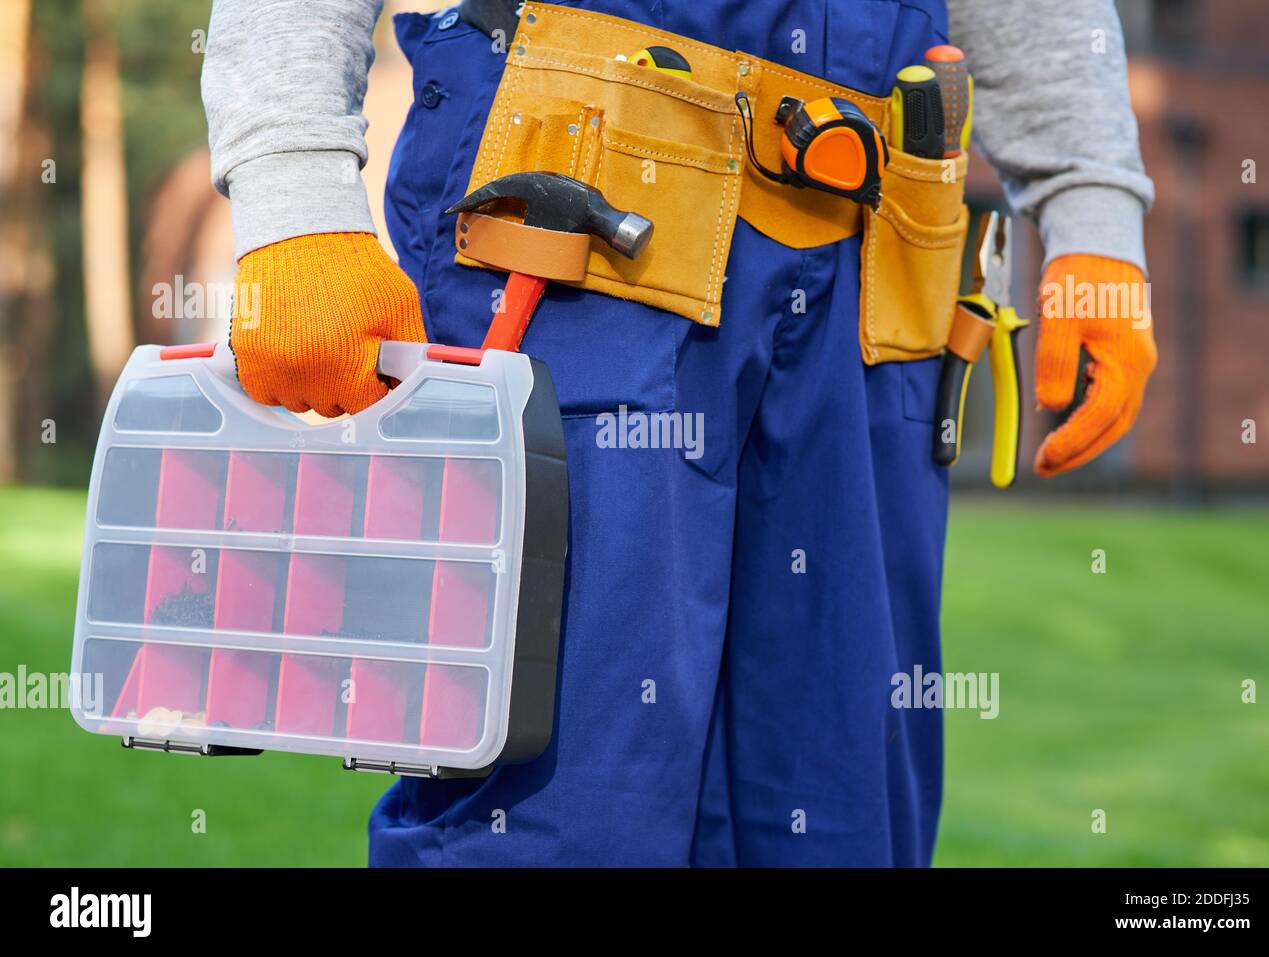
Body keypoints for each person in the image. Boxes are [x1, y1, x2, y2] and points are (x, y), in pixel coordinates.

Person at [202, 0, 1156, 866]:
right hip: (580, 216)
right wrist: (293, 188)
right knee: (557, 817)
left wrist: (1091, 203)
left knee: (845, 817)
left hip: (875, 264)